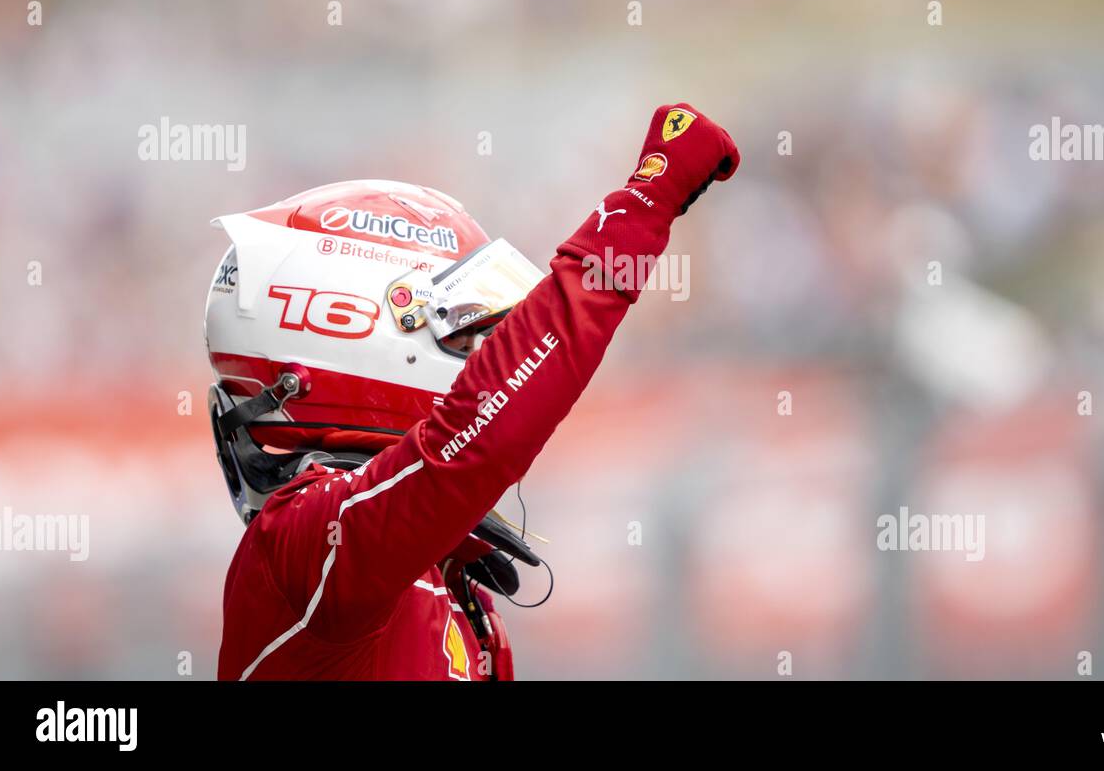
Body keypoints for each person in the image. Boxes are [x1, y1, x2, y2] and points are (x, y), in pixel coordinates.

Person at [204, 104, 740, 679]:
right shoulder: (306, 541)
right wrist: (645, 206)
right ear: (345, 322)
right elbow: (475, 441)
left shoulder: (439, 574)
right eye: (466, 333)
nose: (485, 352)